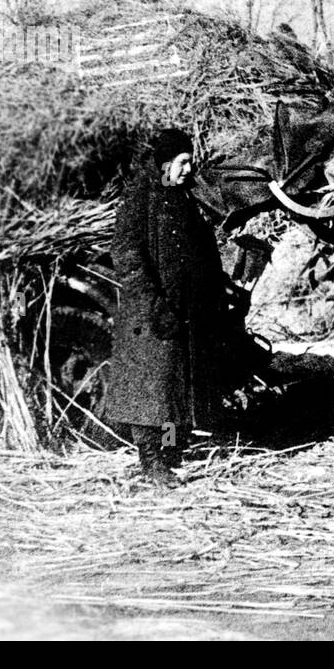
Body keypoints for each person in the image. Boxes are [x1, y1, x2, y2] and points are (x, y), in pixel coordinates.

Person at [103, 127, 228, 487]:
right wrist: (152, 304)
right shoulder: (141, 196)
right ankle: (152, 462)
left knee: (175, 395)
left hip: (183, 313)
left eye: (190, 162)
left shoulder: (184, 197)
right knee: (151, 393)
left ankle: (171, 453)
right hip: (151, 316)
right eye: (183, 163)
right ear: (165, 163)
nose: (189, 170)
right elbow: (126, 254)